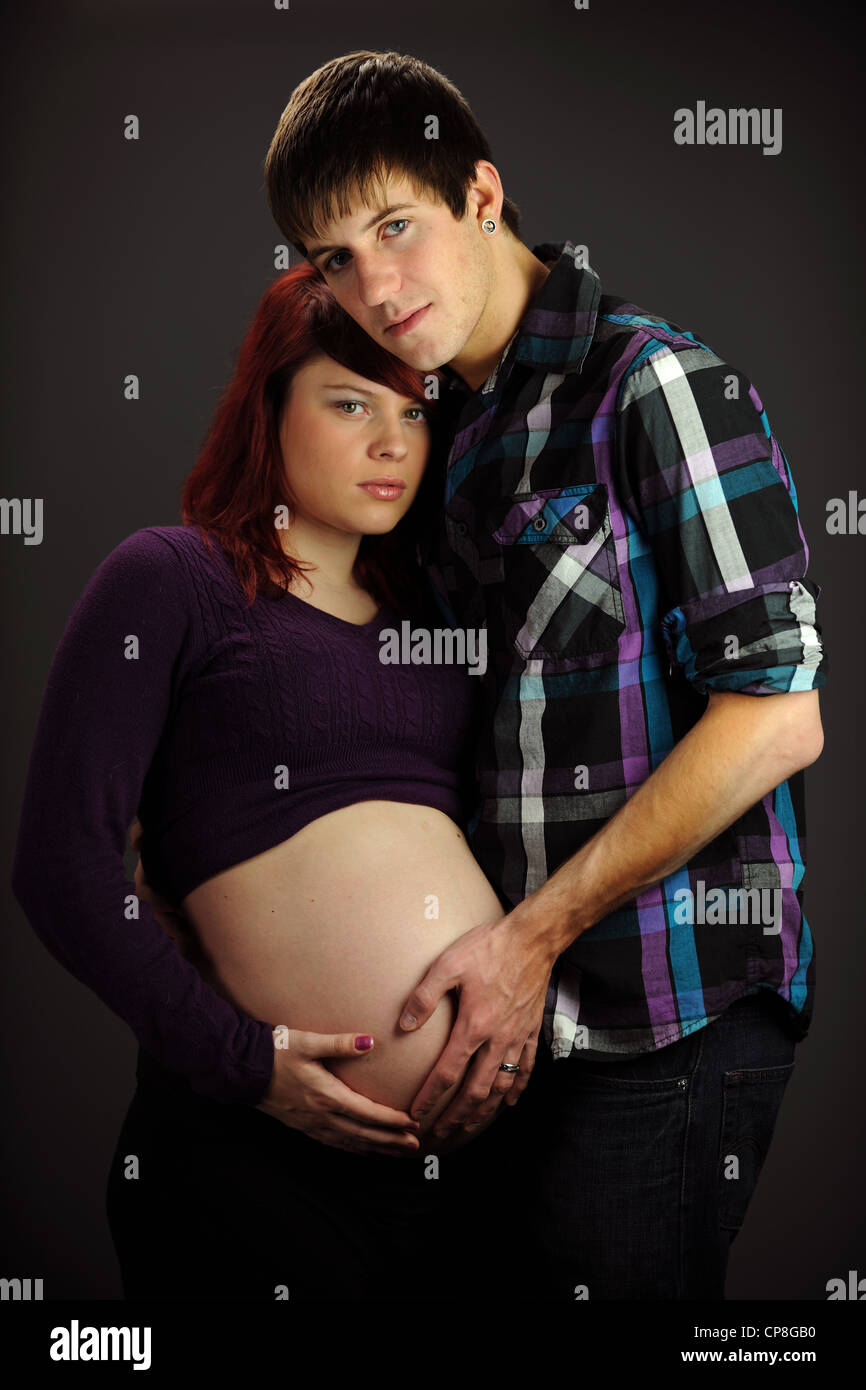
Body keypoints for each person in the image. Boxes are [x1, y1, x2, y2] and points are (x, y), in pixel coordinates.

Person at [260, 49, 828, 1299]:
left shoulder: (656, 387)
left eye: (394, 226)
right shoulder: (439, 434)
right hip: (504, 1038)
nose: (373, 285)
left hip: (658, 1017)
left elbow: (776, 722)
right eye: (333, 258)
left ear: (480, 193)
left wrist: (529, 945)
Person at [10, 262, 527, 1303]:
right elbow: (61, 862)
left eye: (413, 415)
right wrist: (242, 1061)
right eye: (349, 404)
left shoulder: (439, 622)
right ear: (268, 405)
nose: (392, 444)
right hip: (250, 1167)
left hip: (465, 1193)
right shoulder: (171, 579)